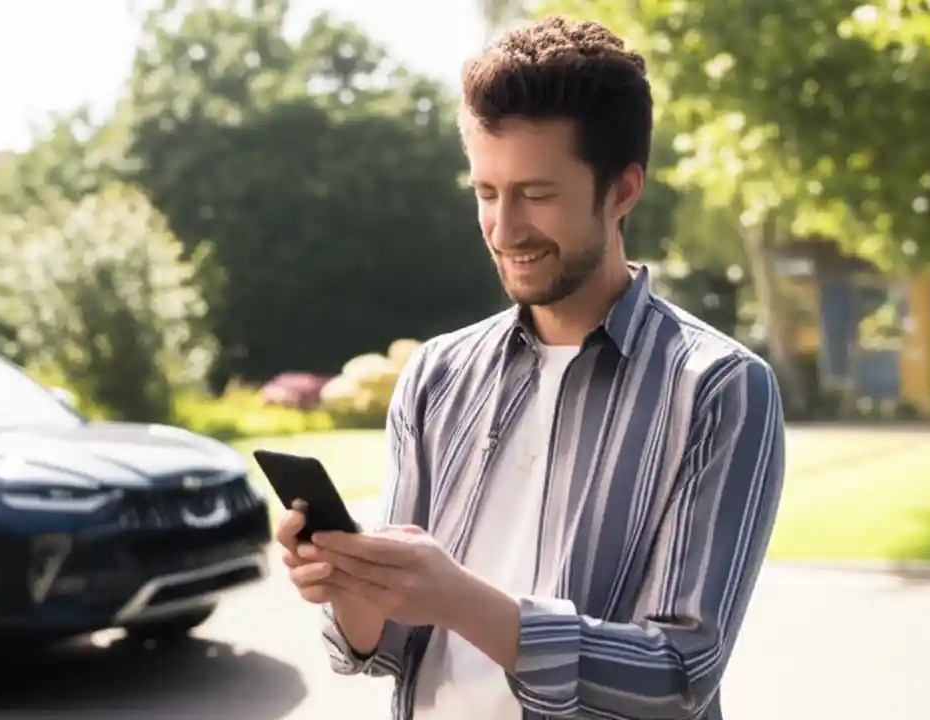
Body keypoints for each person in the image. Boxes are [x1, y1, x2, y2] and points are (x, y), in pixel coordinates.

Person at [276, 15, 786, 720]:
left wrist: (460, 598)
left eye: (536, 195)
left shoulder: (716, 387)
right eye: (487, 193)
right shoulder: (437, 375)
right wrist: (354, 585)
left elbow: (677, 677)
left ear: (623, 191)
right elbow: (387, 646)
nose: (505, 230)